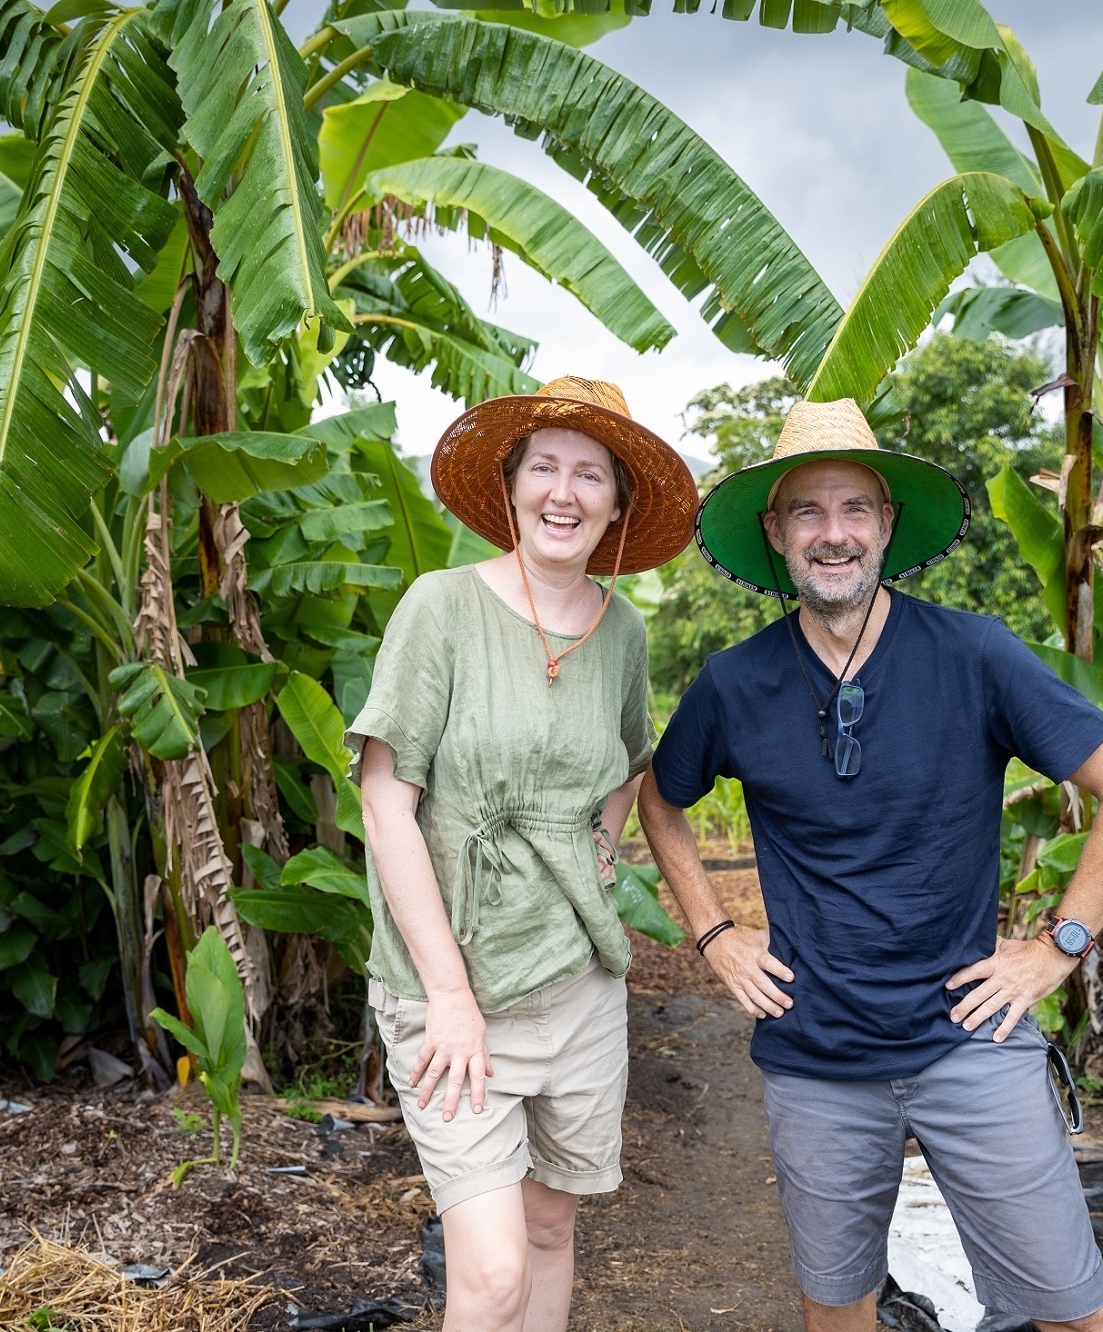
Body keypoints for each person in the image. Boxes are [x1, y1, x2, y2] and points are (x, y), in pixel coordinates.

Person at [638, 398, 1103, 1332]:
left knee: (1076, 1314)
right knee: (837, 1310)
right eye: (808, 512)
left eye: (854, 511)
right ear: (776, 533)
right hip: (815, 1055)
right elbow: (660, 797)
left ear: (886, 525)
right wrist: (715, 935)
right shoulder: (735, 682)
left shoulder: (975, 654)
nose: (832, 534)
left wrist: (1060, 946)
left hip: (971, 1038)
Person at [349, 376, 697, 1332]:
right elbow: (386, 800)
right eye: (544, 465)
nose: (565, 492)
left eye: (592, 475)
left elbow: (630, 761)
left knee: (550, 1228)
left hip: (578, 983)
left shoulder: (624, 630)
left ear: (618, 507)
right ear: (509, 486)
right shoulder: (441, 607)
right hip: (453, 985)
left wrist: (599, 850)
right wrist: (451, 997)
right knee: (493, 1275)